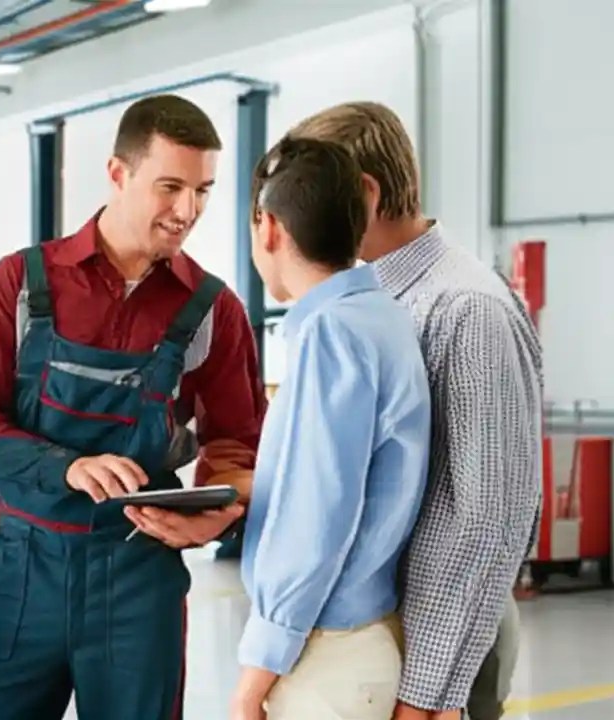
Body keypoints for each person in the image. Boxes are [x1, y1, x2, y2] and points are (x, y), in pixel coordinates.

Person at [0, 94, 269, 720]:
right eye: (170, 187)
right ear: (118, 174)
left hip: (139, 576)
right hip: (23, 571)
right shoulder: (22, 283)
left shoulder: (214, 312)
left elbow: (236, 446)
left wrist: (215, 516)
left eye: (203, 190)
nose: (187, 211)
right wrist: (63, 466)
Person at [288, 101, 544, 720]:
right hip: (397, 630)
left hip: (449, 650)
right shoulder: (382, 299)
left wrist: (425, 694)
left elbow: (485, 520)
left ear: (365, 193)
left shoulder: (464, 308)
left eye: (310, 196)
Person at [227, 136, 432, 720]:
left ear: (268, 228)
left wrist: (253, 678)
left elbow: (316, 516)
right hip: (363, 638)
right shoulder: (382, 316)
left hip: (324, 652)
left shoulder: (330, 333)